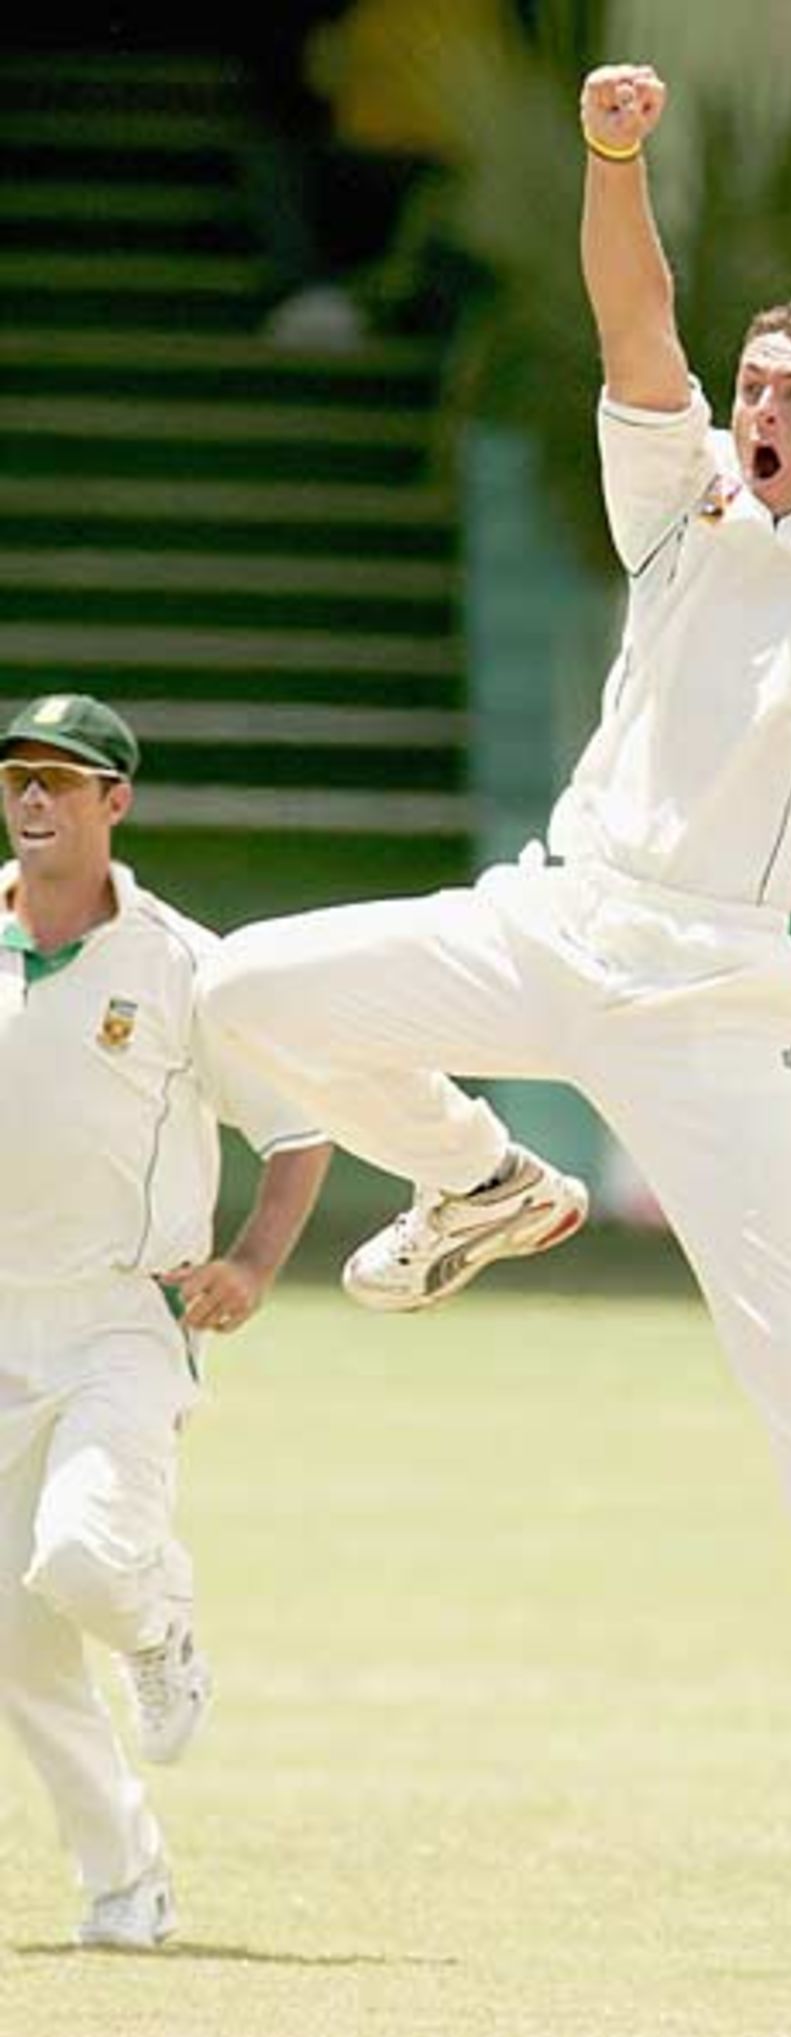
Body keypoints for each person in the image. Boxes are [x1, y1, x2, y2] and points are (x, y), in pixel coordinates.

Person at [199, 61, 791, 1894]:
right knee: (244, 994)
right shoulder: (681, 501)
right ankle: (482, 1174)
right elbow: (629, 311)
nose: (753, 414)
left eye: (789, 397)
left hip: (728, 1006)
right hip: (552, 916)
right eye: (747, 391)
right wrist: (611, 152)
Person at [0, 693, 334, 1950]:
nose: (35, 801)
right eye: (20, 778)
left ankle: (159, 1616)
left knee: (85, 1558)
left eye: (62, 782)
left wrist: (249, 1261)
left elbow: (296, 1130)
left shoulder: (185, 964)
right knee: (19, 1656)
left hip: (123, 1320)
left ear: (114, 803)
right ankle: (124, 1883)